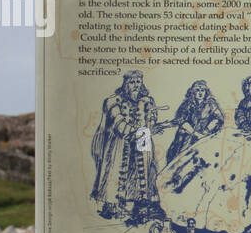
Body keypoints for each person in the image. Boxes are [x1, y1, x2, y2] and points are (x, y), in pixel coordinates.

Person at [90, 70, 161, 222]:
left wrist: (150, 121)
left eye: (138, 82)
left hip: (142, 140)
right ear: (125, 84)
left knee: (143, 173)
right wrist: (135, 132)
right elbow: (118, 123)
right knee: (116, 173)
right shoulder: (114, 101)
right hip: (120, 143)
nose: (136, 85)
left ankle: (141, 206)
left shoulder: (147, 100)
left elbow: (152, 121)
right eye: (132, 82)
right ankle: (112, 206)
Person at [164, 79, 224, 164]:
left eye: (202, 90)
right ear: (193, 92)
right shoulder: (187, 104)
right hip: (187, 136)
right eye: (197, 90)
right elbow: (182, 121)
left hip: (204, 135)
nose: (200, 93)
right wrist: (196, 134)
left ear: (206, 92)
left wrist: (207, 129)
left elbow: (219, 118)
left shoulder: (211, 103)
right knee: (179, 160)